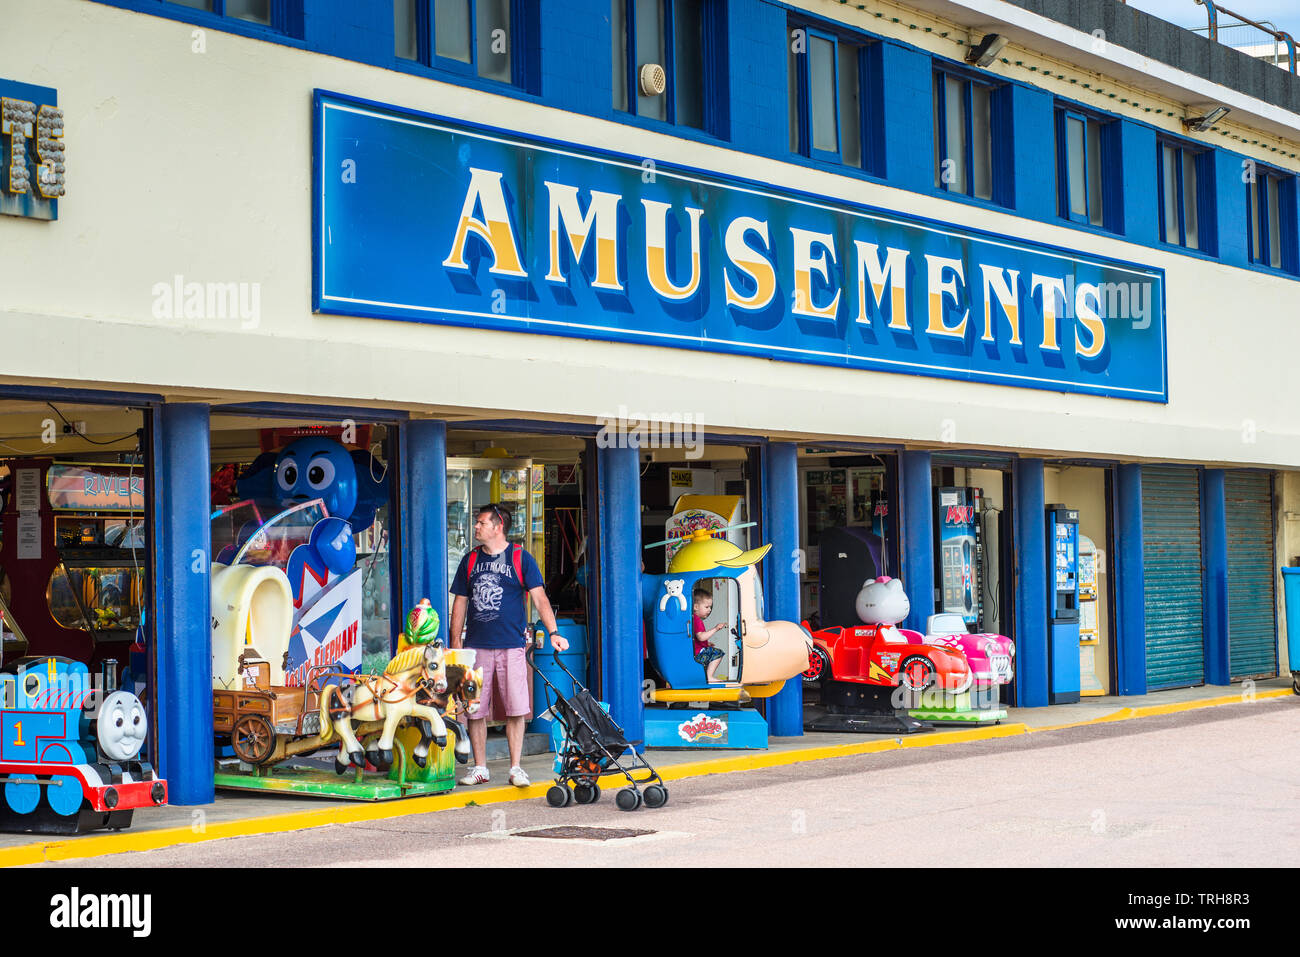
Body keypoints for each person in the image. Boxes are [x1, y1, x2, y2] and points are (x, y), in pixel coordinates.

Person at [449, 502, 568, 787]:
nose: (476, 527)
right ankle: (480, 767)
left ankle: (516, 768)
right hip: (475, 647)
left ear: (498, 526)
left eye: (481, 522)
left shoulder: (520, 558)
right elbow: (460, 602)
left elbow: (540, 598)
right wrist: (455, 643)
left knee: (516, 708)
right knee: (474, 709)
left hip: (512, 646)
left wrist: (553, 632)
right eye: (477, 522)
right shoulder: (470, 560)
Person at [691, 585, 727, 677]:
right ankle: (709, 676)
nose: (709, 610)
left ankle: (706, 677)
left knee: (711, 651)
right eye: (707, 607)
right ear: (696, 607)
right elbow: (701, 637)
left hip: (696, 651)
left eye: (710, 607)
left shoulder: (693, 618)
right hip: (697, 654)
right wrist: (716, 629)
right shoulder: (697, 620)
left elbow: (696, 639)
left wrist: (707, 644)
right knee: (718, 653)